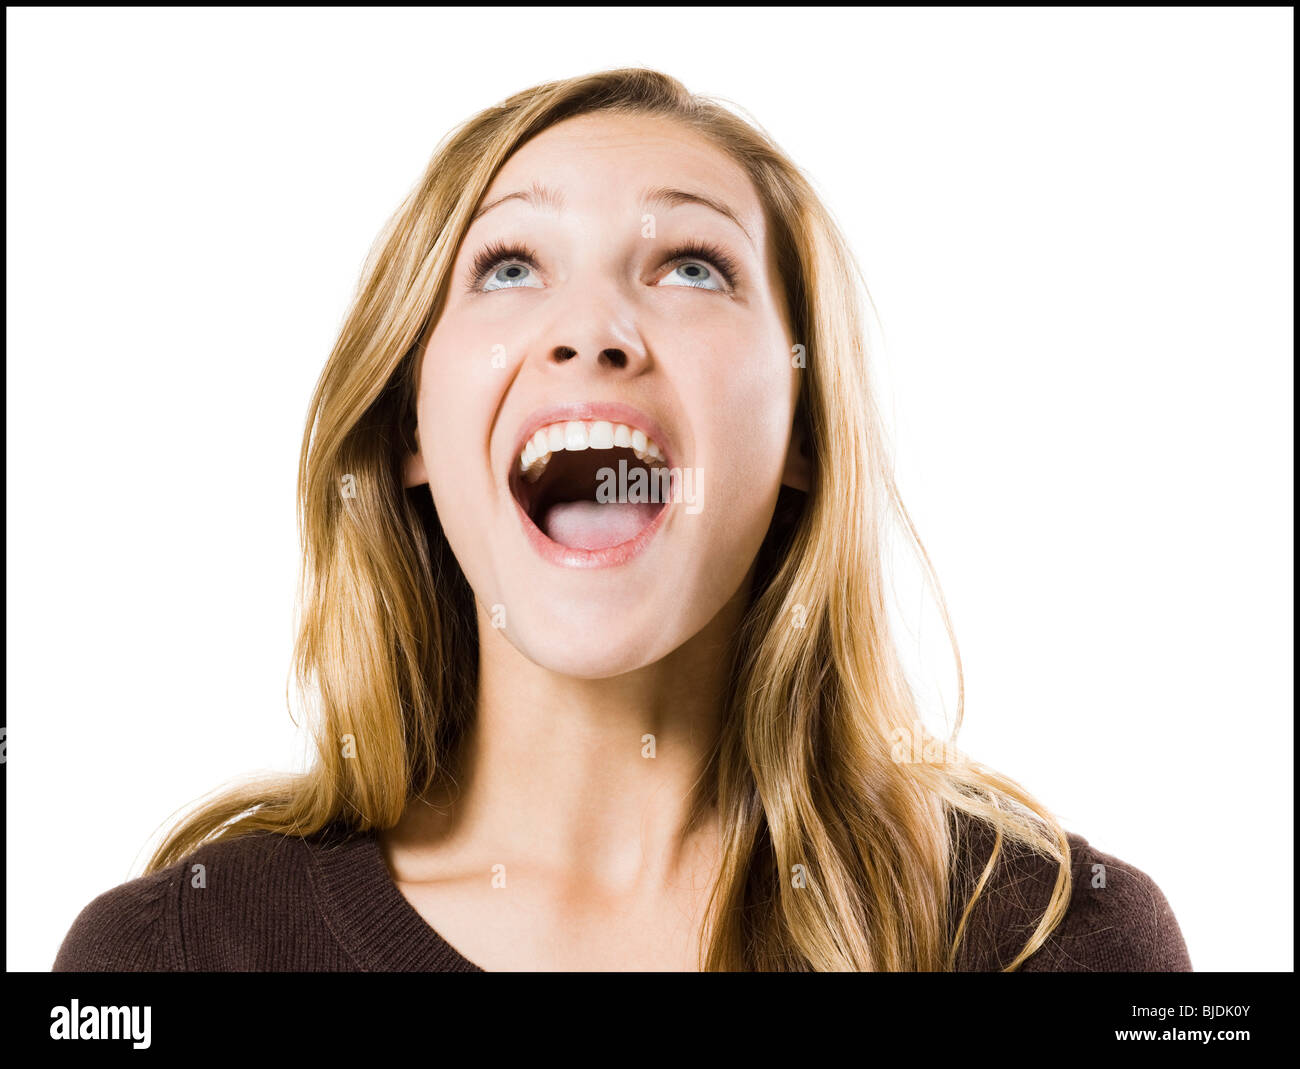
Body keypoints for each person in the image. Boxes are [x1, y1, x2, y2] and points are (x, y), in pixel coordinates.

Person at [54, 67, 1191, 972]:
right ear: (411, 426)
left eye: (692, 266)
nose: (592, 326)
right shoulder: (170, 958)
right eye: (508, 267)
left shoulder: (1050, 943)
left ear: (802, 426)